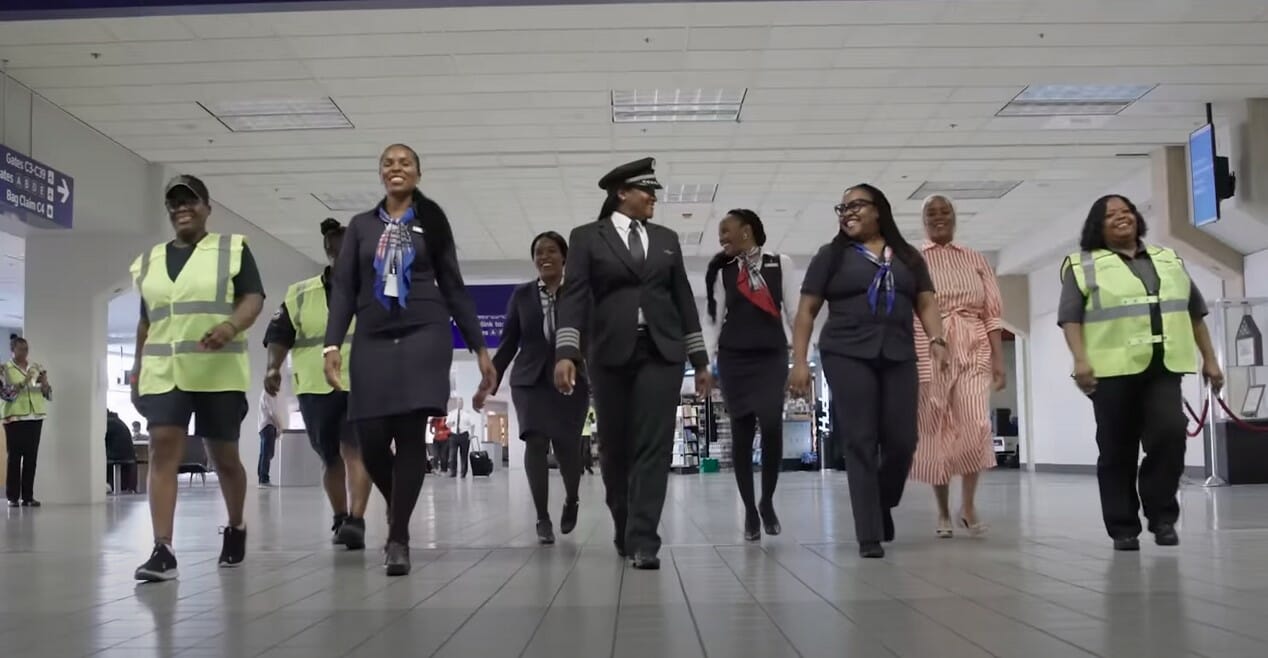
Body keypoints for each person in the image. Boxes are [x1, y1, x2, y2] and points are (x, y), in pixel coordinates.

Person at [323, 143, 495, 576]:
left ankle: (398, 536)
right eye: (388, 163)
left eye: (405, 163)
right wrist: (330, 345)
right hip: (373, 335)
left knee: (410, 431)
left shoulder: (432, 221)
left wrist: (479, 347)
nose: (396, 168)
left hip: (425, 330)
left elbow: (454, 286)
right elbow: (344, 287)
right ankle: (399, 511)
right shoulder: (361, 226)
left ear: (418, 173)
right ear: (380, 174)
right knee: (372, 437)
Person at [554, 157, 713, 570]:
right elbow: (572, 296)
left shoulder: (666, 239)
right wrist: (567, 351)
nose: (653, 197)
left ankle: (645, 538)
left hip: (662, 352)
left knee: (654, 446)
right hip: (609, 353)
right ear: (622, 193)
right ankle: (624, 521)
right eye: (646, 190)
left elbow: (682, 300)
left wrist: (700, 359)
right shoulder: (588, 237)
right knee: (615, 447)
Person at [789, 184, 948, 559]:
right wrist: (799, 362)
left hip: (898, 352)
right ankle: (868, 534)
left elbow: (926, 302)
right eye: (841, 207)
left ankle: (882, 502)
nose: (847, 212)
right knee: (860, 439)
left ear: (879, 210)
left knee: (903, 440)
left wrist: (937, 340)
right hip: (845, 352)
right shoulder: (831, 256)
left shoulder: (907, 256)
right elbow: (806, 311)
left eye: (856, 205)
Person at [1058, 194, 1221, 551]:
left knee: (1170, 434)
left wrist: (1210, 358)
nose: (1121, 217)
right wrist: (1080, 360)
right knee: (1117, 450)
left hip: (1163, 367)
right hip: (1110, 372)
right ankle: (1123, 527)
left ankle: (1162, 517)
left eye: (1126, 211)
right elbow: (1070, 319)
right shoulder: (1082, 265)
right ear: (1097, 226)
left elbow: (1194, 313)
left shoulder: (1168, 260)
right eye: (1111, 214)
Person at [130, 175, 265, 581]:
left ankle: (236, 525)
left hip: (217, 372)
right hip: (164, 373)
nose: (180, 208)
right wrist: (136, 370)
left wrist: (230, 326)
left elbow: (253, 299)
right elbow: (145, 321)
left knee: (223, 457)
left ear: (207, 206)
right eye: (173, 202)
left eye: (189, 200)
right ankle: (163, 549)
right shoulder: (150, 260)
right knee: (162, 450)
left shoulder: (232, 249)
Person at [264, 218, 374, 549]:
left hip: (361, 384)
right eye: (336, 250)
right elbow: (280, 334)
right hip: (314, 387)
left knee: (355, 450)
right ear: (327, 252)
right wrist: (273, 368)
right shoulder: (300, 293)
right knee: (330, 457)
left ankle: (357, 519)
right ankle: (341, 516)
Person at [476, 231, 588, 544]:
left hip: (571, 378)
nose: (545, 257)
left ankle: (572, 498)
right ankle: (542, 517)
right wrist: (490, 380)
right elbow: (509, 341)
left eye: (552, 251)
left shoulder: (579, 292)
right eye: (539, 252)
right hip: (530, 380)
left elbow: (592, 334)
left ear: (564, 257)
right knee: (535, 441)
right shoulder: (522, 295)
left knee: (567, 446)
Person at [909, 195, 1006, 539]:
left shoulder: (975, 259)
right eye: (931, 213)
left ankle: (967, 505)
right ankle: (941, 510)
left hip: (974, 344)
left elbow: (992, 312)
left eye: (944, 212)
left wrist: (998, 358)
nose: (938, 218)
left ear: (954, 217)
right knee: (935, 428)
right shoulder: (912, 259)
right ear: (922, 220)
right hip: (928, 345)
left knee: (975, 424)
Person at [703, 209, 799, 541]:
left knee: (772, 424)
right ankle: (749, 511)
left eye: (726, 231)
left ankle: (767, 501)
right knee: (741, 434)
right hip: (734, 359)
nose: (721, 238)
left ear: (746, 231)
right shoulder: (723, 271)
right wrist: (706, 364)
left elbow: (794, 311)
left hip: (771, 355)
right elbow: (715, 319)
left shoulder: (779, 263)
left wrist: (802, 358)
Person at [3, 335, 52, 507]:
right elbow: (6, 394)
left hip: (35, 417)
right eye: (21, 349)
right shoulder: (5, 369)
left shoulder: (35, 368)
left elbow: (48, 394)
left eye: (27, 349)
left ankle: (28, 496)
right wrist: (24, 382)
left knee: (31, 458)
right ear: (13, 350)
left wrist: (45, 384)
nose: (25, 352)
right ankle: (12, 497)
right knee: (15, 458)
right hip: (15, 418)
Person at [105, 409, 138, 494]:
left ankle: (106, 486)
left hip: (116, 456)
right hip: (127, 457)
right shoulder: (117, 421)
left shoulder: (108, 423)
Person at [256, 389, 282, 488]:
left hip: (264, 426)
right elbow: (272, 412)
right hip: (268, 426)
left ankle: (262, 479)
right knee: (267, 454)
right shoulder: (268, 394)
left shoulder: (266, 393)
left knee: (264, 453)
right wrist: (279, 425)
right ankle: (264, 479)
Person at [447, 400, 477, 478]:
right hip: (453, 435)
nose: (460, 404)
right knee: (452, 455)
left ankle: (463, 473)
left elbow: (473, 425)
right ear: (456, 404)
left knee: (464, 455)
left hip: (464, 435)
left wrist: (472, 434)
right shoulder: (452, 413)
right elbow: (447, 424)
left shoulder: (467, 414)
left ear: (463, 404)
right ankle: (453, 472)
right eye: (458, 403)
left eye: (461, 403)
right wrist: (451, 424)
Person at [580, 406, 596, 475]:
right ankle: (581, 468)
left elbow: (593, 420)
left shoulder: (590, 409)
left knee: (586, 451)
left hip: (587, 433)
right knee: (579, 451)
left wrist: (591, 418)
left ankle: (587, 466)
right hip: (579, 433)